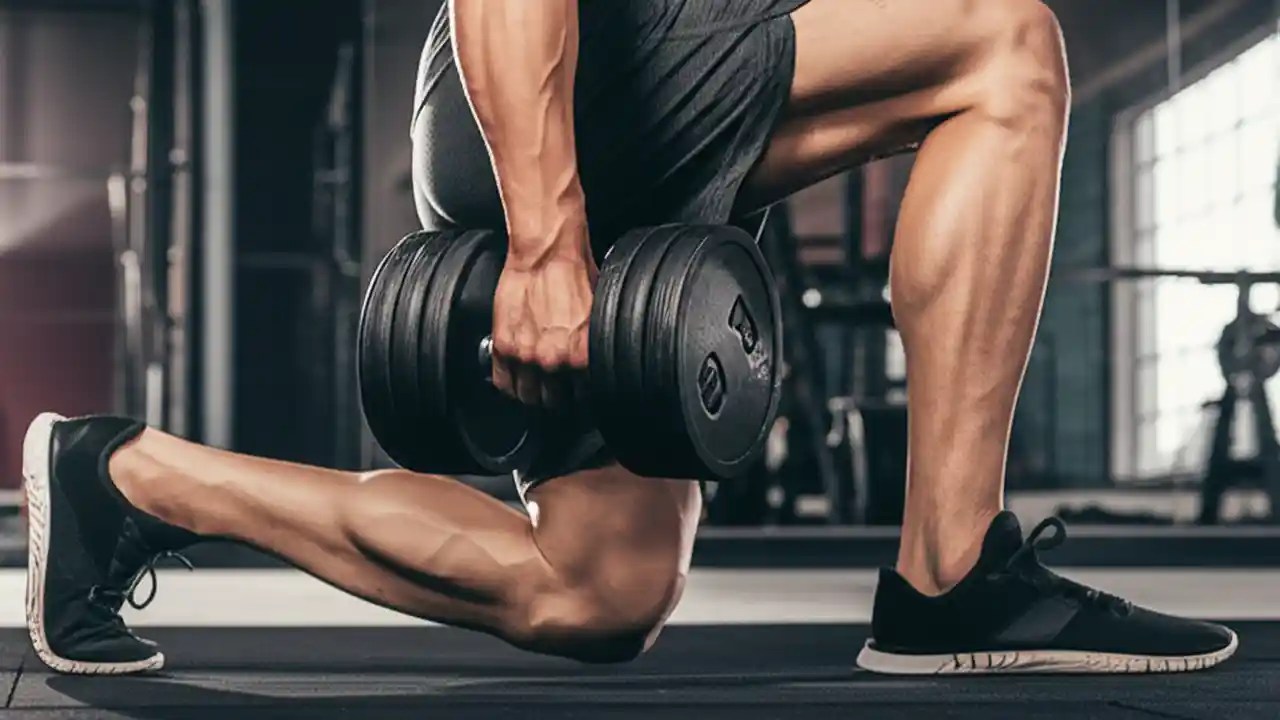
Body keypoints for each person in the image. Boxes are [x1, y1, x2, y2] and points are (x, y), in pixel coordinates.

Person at [26, 0, 1236, 676]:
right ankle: (951, 578)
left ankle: (121, 475)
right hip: (571, 87)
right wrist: (549, 244)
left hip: (629, 125)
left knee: (597, 593)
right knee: (1002, 51)